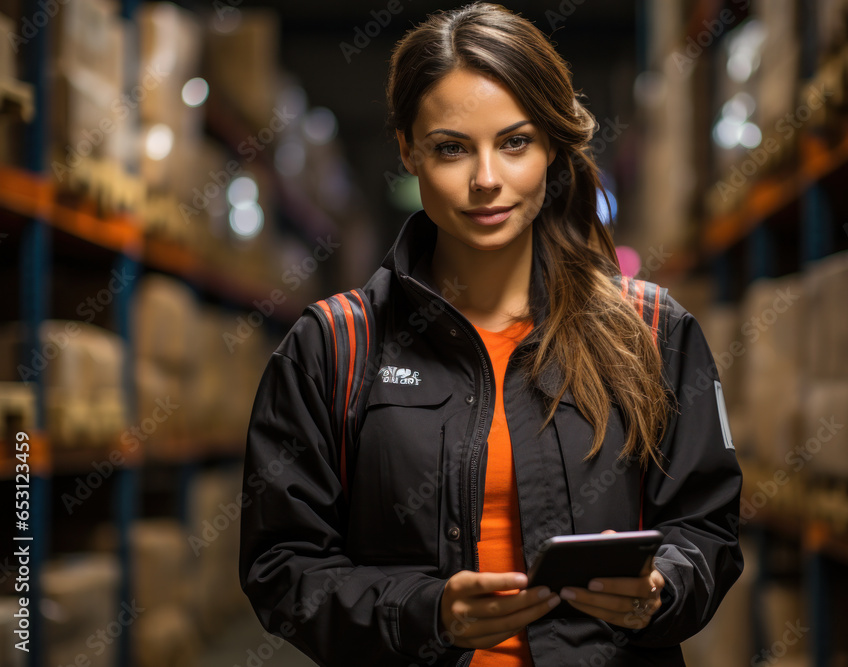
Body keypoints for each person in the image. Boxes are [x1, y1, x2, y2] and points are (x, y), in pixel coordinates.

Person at [239, 3, 743, 666]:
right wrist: (429, 611)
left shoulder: (653, 332)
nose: (485, 180)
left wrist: (661, 587)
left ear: (552, 148)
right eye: (452, 147)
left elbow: (707, 529)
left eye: (515, 142)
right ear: (408, 151)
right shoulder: (332, 348)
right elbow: (282, 566)